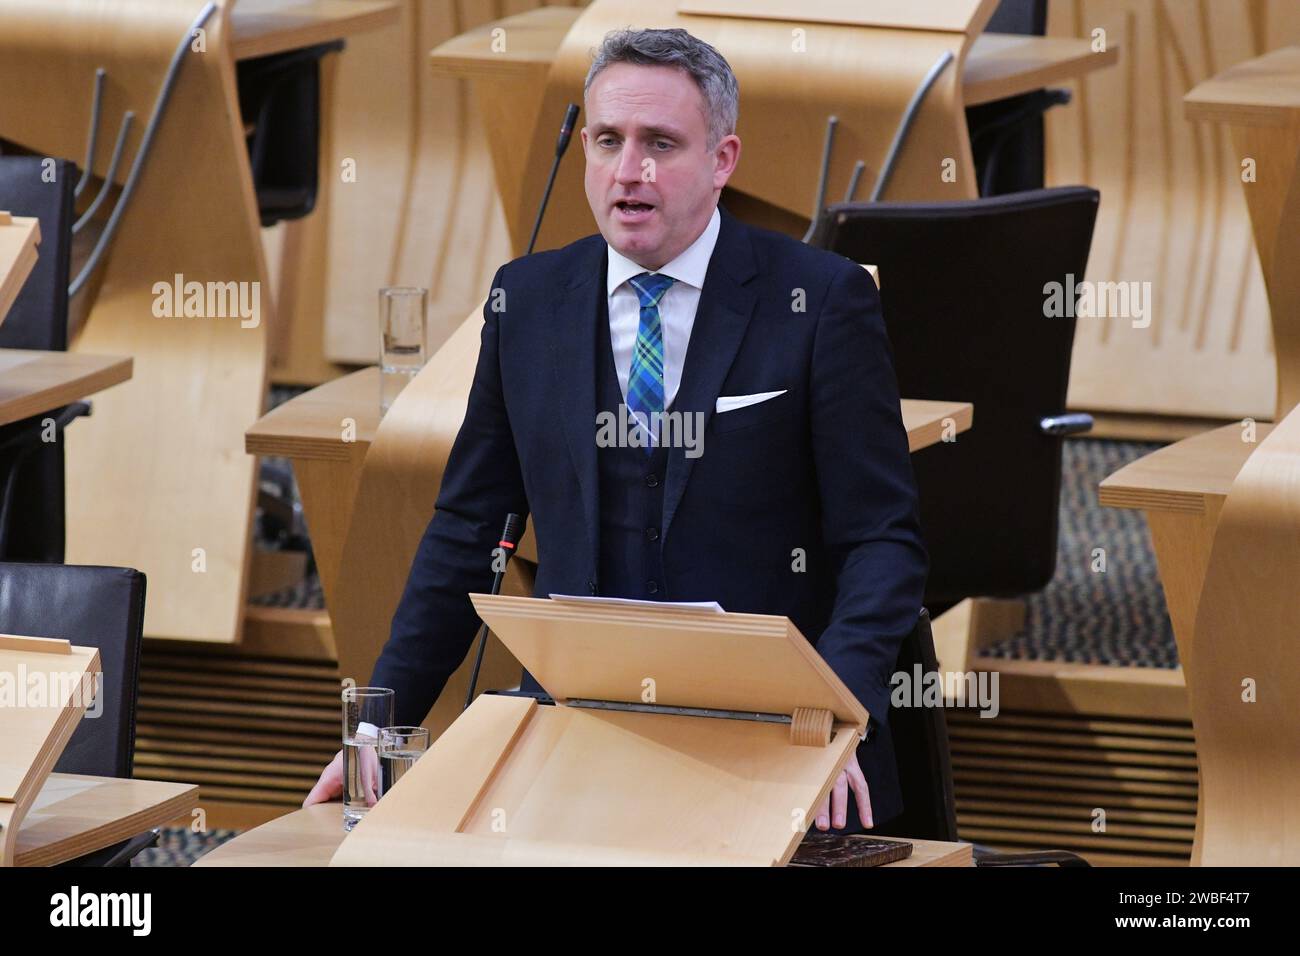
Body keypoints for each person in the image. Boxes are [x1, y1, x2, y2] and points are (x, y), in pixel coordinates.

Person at [306, 27, 927, 834]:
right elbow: (470, 527)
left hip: (771, 739)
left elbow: (883, 541)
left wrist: (838, 722)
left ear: (723, 160)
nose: (629, 171)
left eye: (661, 144)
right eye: (607, 141)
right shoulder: (526, 300)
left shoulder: (820, 300)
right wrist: (377, 727)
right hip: (577, 731)